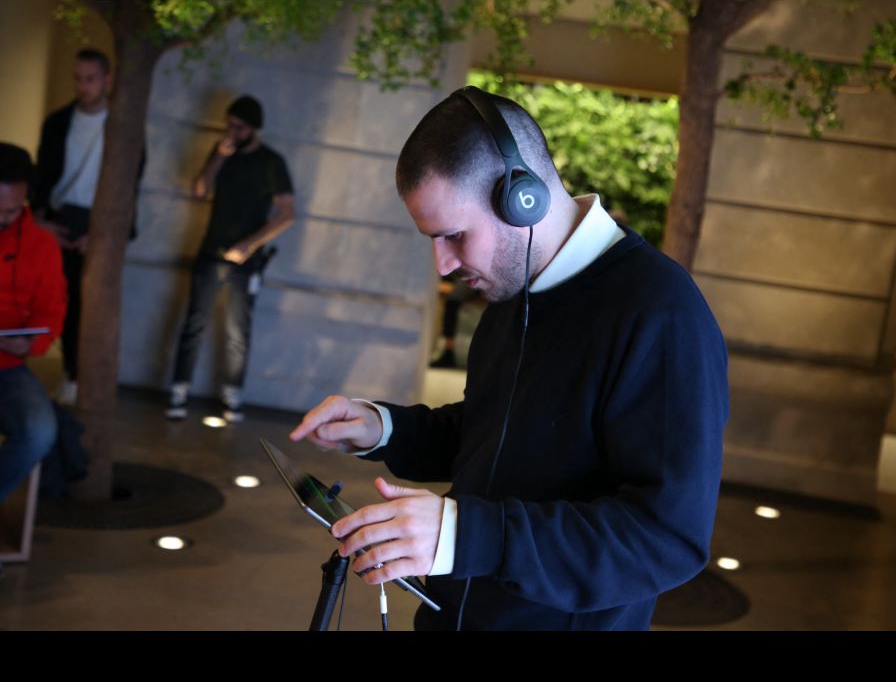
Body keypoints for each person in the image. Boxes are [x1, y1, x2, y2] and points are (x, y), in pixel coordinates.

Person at [290, 86, 729, 631]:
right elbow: (494, 435)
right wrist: (386, 429)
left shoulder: (662, 314)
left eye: (454, 235)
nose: (442, 265)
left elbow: (665, 538)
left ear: (523, 198)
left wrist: (465, 536)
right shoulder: (511, 290)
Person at [166, 95, 295, 423]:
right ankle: (179, 391)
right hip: (211, 251)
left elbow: (286, 214)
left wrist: (250, 245)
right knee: (194, 322)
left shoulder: (271, 162)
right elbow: (199, 189)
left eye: (238, 127)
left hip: (245, 261)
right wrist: (218, 159)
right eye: (229, 125)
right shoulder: (222, 151)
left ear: (253, 128)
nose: (231, 132)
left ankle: (232, 396)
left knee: (238, 329)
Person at [33, 48, 141, 405]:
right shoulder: (58, 122)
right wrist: (41, 220)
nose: (83, 86)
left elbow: (131, 185)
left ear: (107, 80)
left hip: (102, 220)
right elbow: (43, 176)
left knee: (93, 305)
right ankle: (71, 374)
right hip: (61, 217)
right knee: (62, 301)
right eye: (78, 78)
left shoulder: (123, 128)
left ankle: (83, 379)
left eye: (91, 79)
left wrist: (105, 233)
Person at [0, 143, 67, 504]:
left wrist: (30, 344)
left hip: (7, 366)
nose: (3, 218)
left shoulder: (42, 246)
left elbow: (51, 313)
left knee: (38, 432)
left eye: (11, 210)